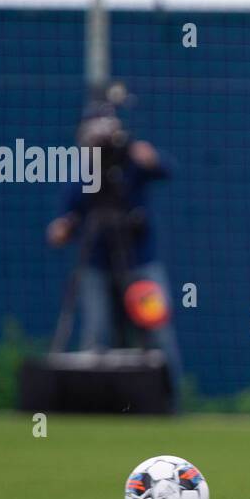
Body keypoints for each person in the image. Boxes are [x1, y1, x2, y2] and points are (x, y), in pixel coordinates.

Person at [46, 103, 183, 401]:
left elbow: (166, 170)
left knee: (157, 330)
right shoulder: (84, 171)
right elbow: (65, 220)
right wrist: (63, 227)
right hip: (96, 264)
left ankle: (168, 401)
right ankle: (96, 403)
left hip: (140, 262)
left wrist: (150, 159)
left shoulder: (132, 161)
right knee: (97, 334)